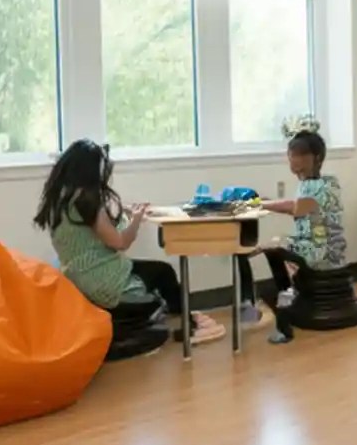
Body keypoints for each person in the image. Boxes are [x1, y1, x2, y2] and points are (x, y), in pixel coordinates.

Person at [34, 139, 224, 344]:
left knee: (162, 273)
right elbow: (120, 242)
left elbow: (95, 230)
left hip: (81, 278)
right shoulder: (87, 200)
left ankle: (184, 316)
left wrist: (124, 214)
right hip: (105, 283)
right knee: (159, 289)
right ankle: (189, 326)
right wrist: (136, 221)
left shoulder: (59, 200)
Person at [236, 118, 348, 344]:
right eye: (291, 154)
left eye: (299, 155)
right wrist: (262, 201)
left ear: (316, 158)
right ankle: (249, 306)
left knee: (272, 253)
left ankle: (283, 326)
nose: (293, 160)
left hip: (323, 252)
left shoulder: (328, 184)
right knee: (246, 251)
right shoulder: (305, 183)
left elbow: (298, 207)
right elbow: (294, 203)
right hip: (307, 245)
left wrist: (262, 205)